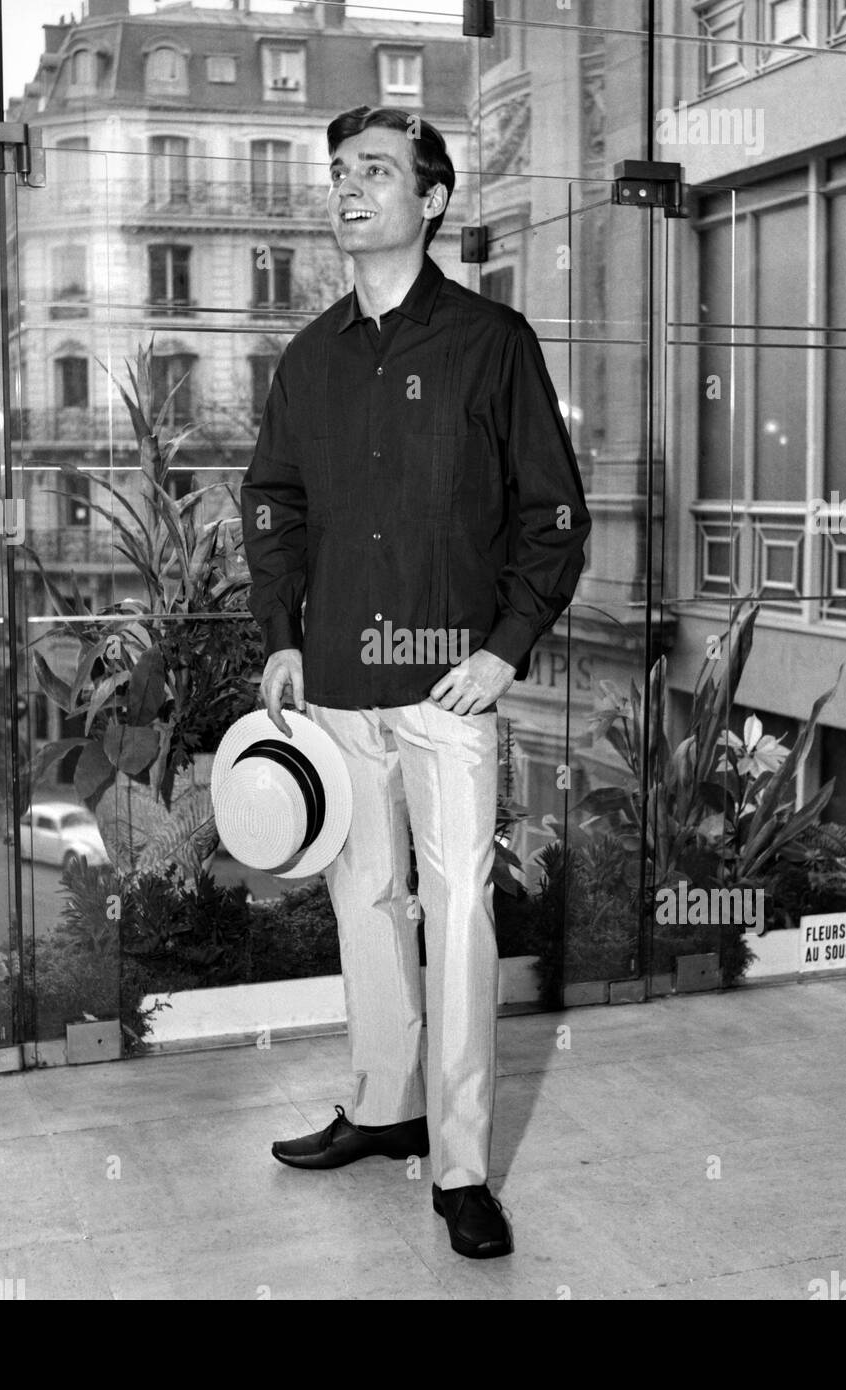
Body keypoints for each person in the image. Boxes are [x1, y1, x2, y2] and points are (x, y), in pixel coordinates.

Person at [240, 105, 591, 1260]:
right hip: (338, 681)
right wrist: (281, 628)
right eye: (339, 172)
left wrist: (502, 650)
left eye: (374, 171)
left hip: (449, 690)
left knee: (462, 914)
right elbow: (273, 502)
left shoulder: (496, 343)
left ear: (431, 200)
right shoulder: (309, 357)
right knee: (365, 907)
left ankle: (462, 1166)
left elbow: (553, 516)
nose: (347, 188)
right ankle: (384, 1108)